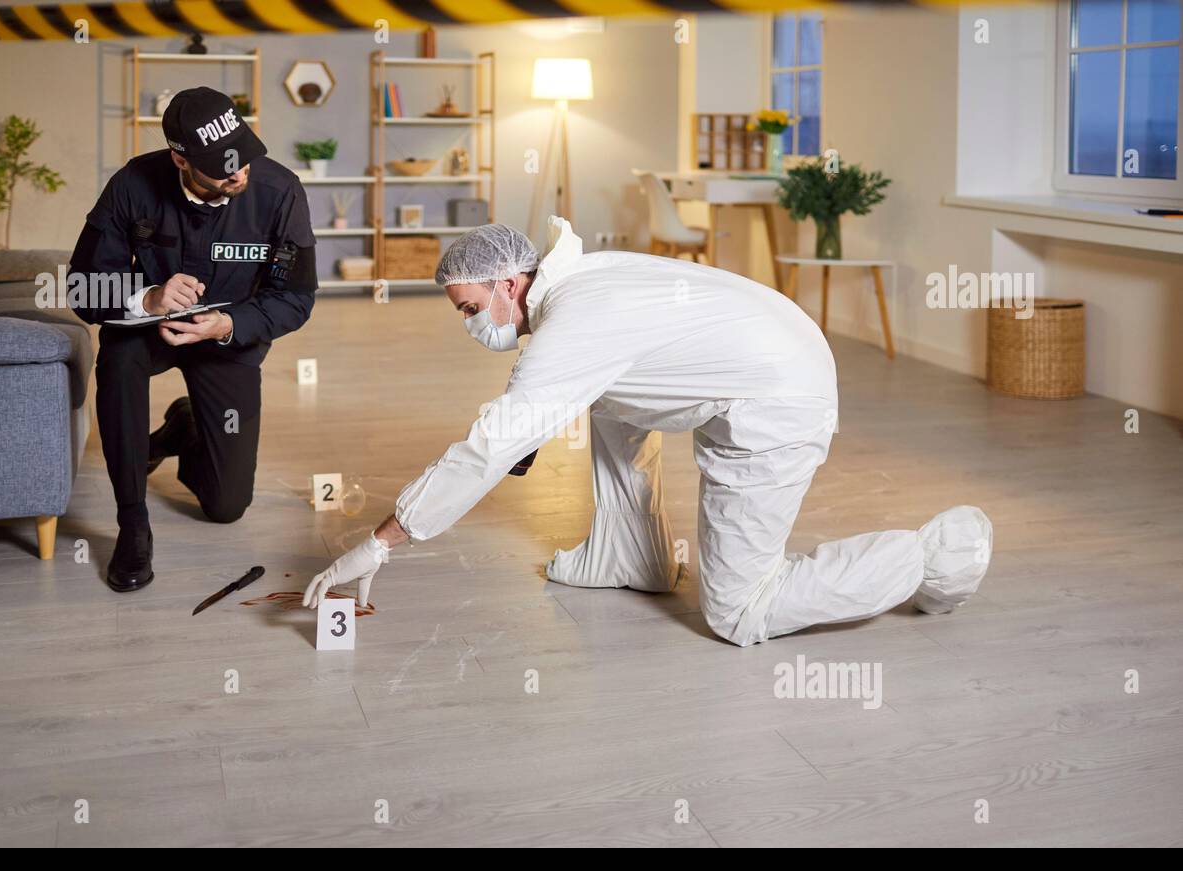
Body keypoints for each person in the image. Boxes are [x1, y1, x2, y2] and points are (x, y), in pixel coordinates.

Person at [303, 218, 991, 646]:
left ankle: (934, 556)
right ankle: (630, 556)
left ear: (511, 283)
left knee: (738, 614)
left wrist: (383, 543)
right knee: (606, 403)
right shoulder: (577, 285)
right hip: (756, 368)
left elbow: (491, 445)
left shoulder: (573, 322)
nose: (469, 325)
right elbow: (559, 393)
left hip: (779, 401)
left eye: (469, 309)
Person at [70, 87, 317, 592]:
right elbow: (82, 285)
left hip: (229, 338)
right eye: (221, 167)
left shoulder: (281, 192)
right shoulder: (132, 185)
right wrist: (148, 298)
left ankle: (182, 429)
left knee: (227, 508)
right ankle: (132, 522)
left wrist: (228, 325)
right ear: (179, 158)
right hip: (150, 330)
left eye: (243, 157)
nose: (238, 172)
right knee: (118, 362)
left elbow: (296, 298)